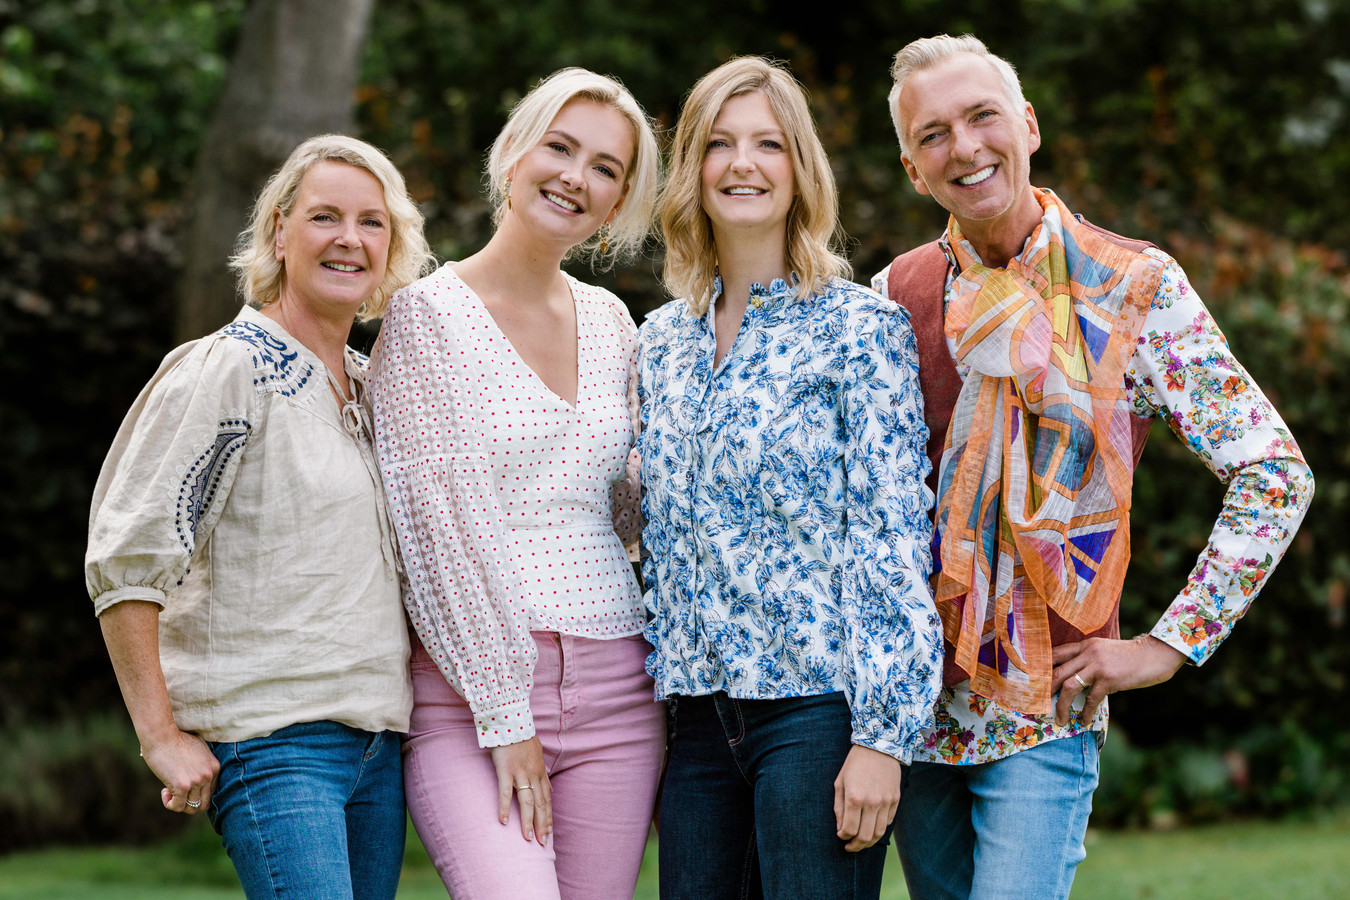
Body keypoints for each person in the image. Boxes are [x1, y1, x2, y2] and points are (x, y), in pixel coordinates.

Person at [872, 34, 1316, 900]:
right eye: (933, 135)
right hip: (916, 716)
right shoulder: (894, 296)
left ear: (1028, 126)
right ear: (911, 170)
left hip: (1048, 707)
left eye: (982, 117)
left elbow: (1273, 471)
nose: (964, 147)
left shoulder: (1133, 287)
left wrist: (1169, 644)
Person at [85, 133, 435, 899]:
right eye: (324, 217)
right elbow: (128, 557)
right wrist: (159, 735)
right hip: (275, 745)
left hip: (379, 745)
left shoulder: (375, 386)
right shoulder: (229, 369)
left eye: (372, 222)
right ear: (280, 231)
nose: (349, 239)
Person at [638, 56, 944, 900]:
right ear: (693, 168)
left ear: (800, 168)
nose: (743, 163)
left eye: (768, 144)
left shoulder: (860, 328)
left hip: (818, 714)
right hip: (697, 724)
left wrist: (881, 739)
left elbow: (890, 534)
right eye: (720, 143)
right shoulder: (659, 343)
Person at [367, 67, 664, 900]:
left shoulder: (613, 321)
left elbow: (628, 511)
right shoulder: (425, 317)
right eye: (559, 148)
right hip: (473, 694)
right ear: (512, 154)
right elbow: (435, 532)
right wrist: (504, 712)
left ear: (616, 202)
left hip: (619, 687)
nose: (576, 176)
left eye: (605, 168)